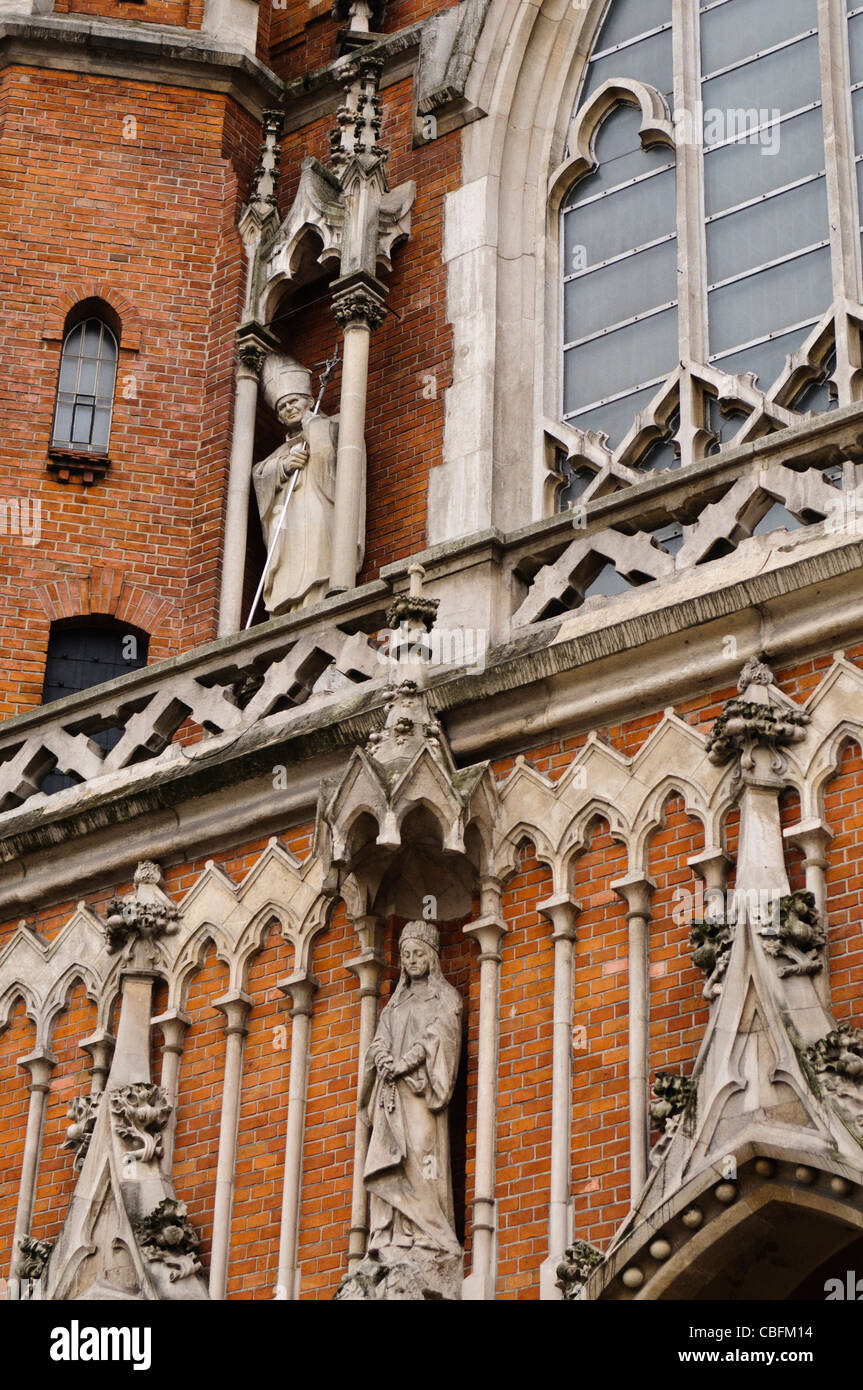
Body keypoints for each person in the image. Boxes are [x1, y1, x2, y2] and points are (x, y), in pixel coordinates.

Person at [361, 920, 463, 1259]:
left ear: (432, 956)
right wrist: (383, 1058)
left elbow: (440, 1036)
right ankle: (390, 1233)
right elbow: (379, 1038)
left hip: (419, 1093)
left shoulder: (445, 997)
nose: (412, 960)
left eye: (418, 954)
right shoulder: (395, 1003)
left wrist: (406, 1062)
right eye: (405, 955)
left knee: (421, 1153)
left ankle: (427, 1233)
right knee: (390, 1154)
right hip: (391, 1094)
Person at [252, 353, 363, 613]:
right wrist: (283, 466)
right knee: (288, 563)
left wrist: (315, 430)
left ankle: (321, 598)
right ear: (278, 417)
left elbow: (341, 461)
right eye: (282, 407)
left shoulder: (331, 426)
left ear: (309, 401)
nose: (288, 408)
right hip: (288, 522)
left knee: (318, 557)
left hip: (319, 512)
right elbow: (258, 474)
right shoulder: (279, 453)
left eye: (293, 402)